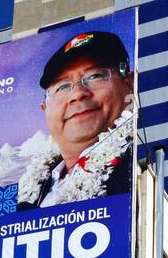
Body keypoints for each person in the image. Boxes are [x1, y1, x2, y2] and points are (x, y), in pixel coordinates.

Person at [18, 30, 136, 209]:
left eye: (95, 76)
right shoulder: (24, 193)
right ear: (44, 109)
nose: (78, 94)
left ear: (130, 84)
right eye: (62, 86)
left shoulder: (134, 171)